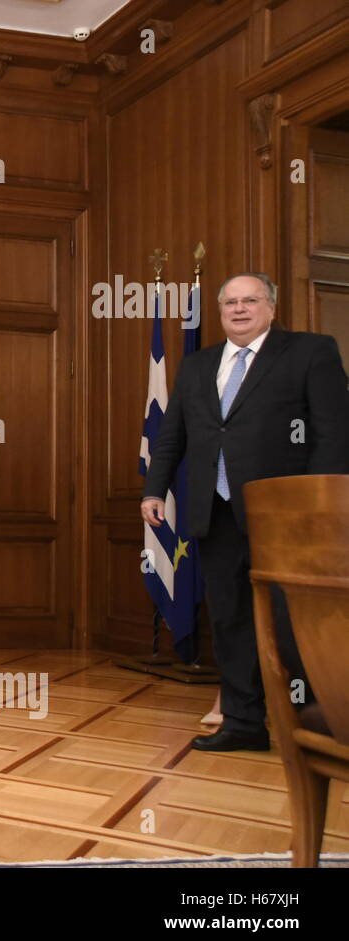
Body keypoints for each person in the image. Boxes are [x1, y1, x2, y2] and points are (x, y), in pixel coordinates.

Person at [142, 273, 349, 751]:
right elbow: (172, 434)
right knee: (231, 619)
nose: (239, 309)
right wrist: (154, 490)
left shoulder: (310, 352)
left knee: (294, 621)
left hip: (287, 518)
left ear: (271, 308)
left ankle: (317, 724)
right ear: (220, 312)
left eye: (250, 300)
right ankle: (243, 723)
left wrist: (318, 507)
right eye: (230, 302)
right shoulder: (198, 365)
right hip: (214, 512)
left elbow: (334, 433)